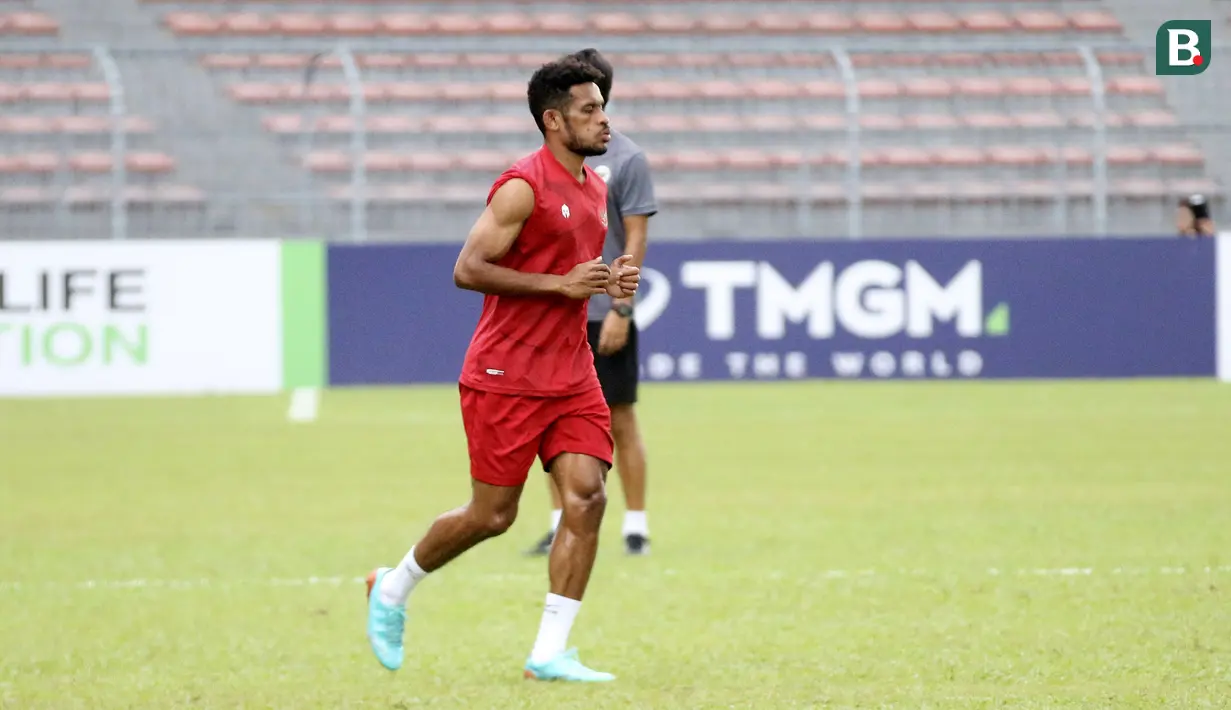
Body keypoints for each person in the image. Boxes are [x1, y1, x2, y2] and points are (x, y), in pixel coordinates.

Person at [363, 56, 639, 683]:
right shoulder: (522, 185)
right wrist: (561, 286)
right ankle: (393, 585)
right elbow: (467, 269)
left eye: (602, 107)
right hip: (505, 374)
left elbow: (570, 275)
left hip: (571, 375)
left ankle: (549, 652)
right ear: (552, 120)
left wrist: (605, 282)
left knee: (588, 497)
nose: (604, 120)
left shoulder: (597, 187)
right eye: (589, 110)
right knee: (492, 516)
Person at [525, 48, 659, 558]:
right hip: (559, 314)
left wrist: (622, 309)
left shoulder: (627, 159)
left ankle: (636, 526)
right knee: (549, 421)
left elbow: (635, 238)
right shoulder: (552, 160)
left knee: (620, 418)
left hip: (604, 311)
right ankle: (559, 520)